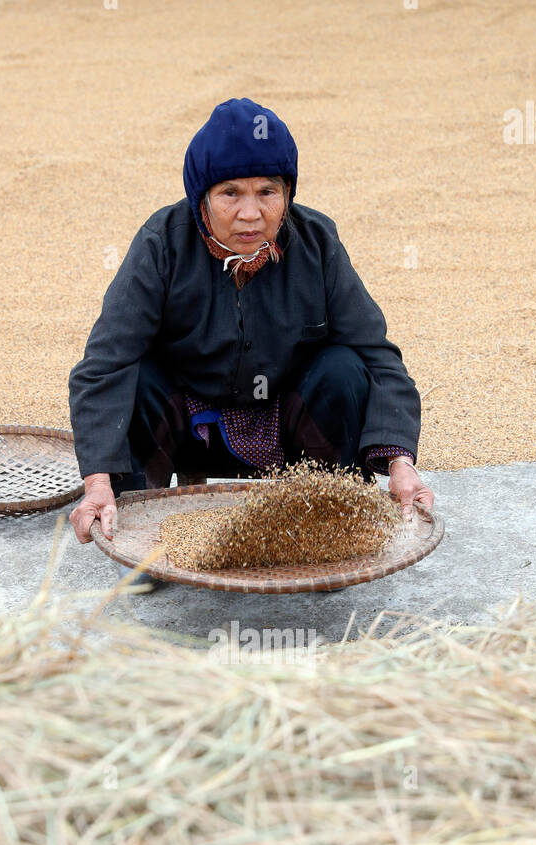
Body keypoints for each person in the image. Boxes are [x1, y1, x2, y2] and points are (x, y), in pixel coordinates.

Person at [68, 96, 434, 557]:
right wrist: (98, 480)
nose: (250, 213)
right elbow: (104, 364)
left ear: (288, 194)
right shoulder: (162, 244)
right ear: (202, 197)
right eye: (230, 194)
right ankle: (141, 533)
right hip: (192, 432)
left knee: (343, 368)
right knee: (136, 376)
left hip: (289, 429)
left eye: (267, 192)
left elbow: (378, 355)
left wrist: (401, 463)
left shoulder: (317, 242)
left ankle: (330, 528)